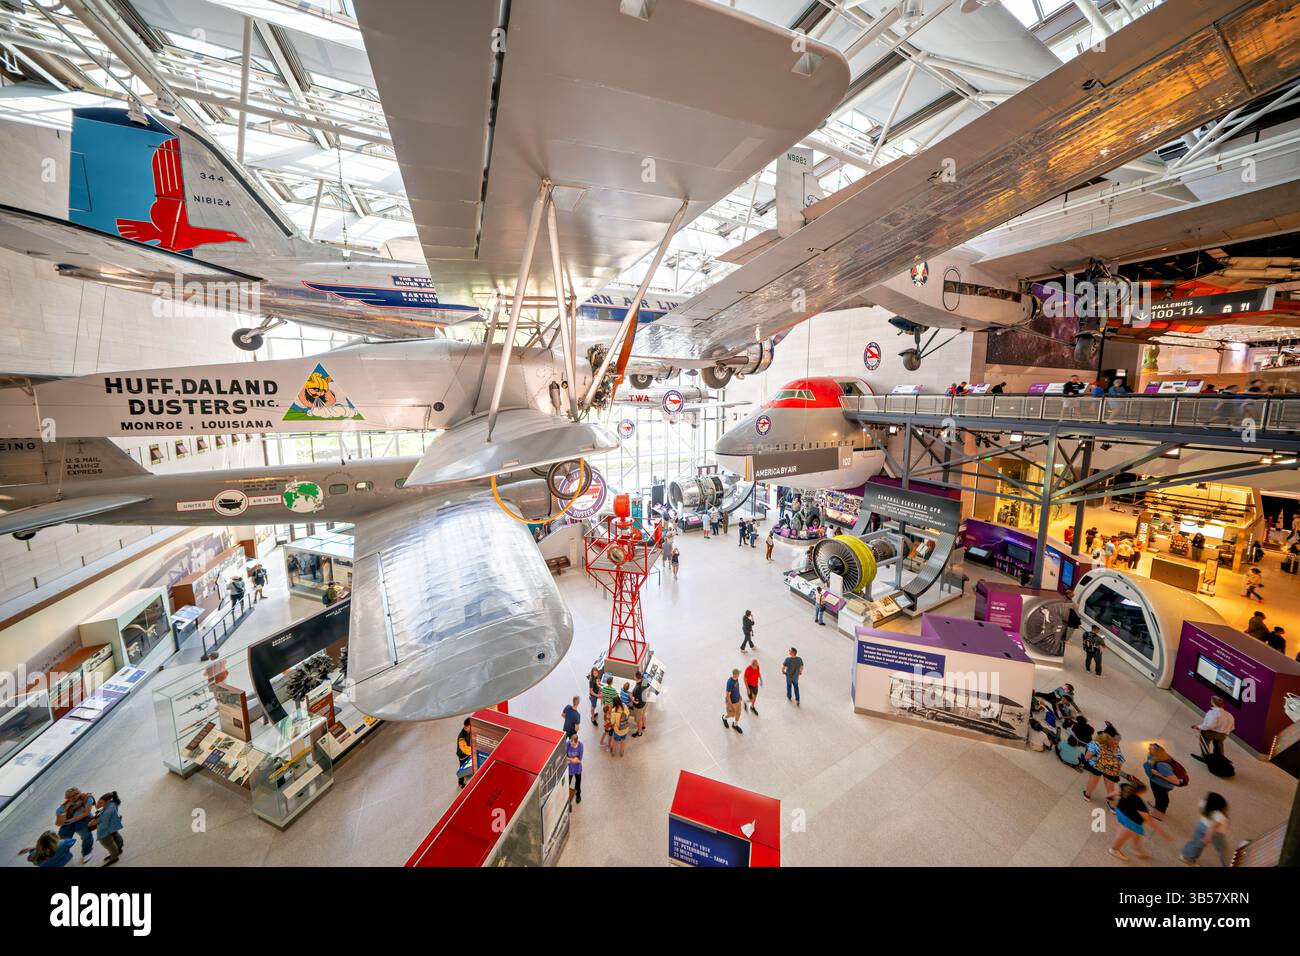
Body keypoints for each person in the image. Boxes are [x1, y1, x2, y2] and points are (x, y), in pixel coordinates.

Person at [1110, 780, 1170, 862]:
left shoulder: (1124, 786)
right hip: (1131, 822)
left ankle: (1137, 850)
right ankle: (1114, 850)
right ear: (1141, 792)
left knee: (1136, 834)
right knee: (1122, 836)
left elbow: (1114, 794)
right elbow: (1149, 820)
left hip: (1121, 812)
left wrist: (1111, 800)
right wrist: (1163, 834)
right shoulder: (1138, 802)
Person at [1180, 792, 1230, 866]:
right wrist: (1207, 837)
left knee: (1196, 843)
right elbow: (1213, 828)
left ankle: (1186, 857)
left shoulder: (1203, 803)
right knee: (1223, 850)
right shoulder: (1219, 816)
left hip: (1200, 824)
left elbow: (1201, 810)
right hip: (1216, 834)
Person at [1082, 731, 1124, 806]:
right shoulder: (1115, 746)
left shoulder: (1094, 743)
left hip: (1097, 766)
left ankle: (1087, 795)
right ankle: (1112, 806)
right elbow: (1120, 761)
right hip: (1111, 770)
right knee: (1110, 788)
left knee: (1093, 781)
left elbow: (1087, 757)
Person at [55, 788, 96, 864]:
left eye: (77, 794)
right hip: (68, 824)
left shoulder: (87, 798)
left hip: (83, 819)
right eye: (71, 796)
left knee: (86, 835)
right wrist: (65, 810)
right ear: (67, 798)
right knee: (61, 841)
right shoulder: (61, 808)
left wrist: (72, 819)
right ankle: (62, 856)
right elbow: (58, 823)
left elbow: (87, 813)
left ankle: (87, 852)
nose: (75, 797)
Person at [1143, 743, 1182, 820]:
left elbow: (1177, 782)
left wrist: (1158, 774)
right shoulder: (1159, 756)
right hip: (1157, 782)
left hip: (1161, 785)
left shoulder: (1162, 765)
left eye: (1151, 749)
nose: (1149, 749)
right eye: (1149, 748)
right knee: (1161, 797)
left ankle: (1159, 815)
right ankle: (1159, 805)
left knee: (1161, 799)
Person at [94, 792, 124, 866]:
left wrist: (95, 822)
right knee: (115, 835)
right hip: (113, 826)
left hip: (106, 829)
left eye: (100, 802)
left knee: (107, 842)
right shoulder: (113, 803)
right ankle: (119, 848)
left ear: (107, 801)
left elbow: (103, 822)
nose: (97, 804)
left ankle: (114, 857)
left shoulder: (108, 810)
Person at [723, 669, 744, 733]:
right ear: (735, 674)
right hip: (732, 702)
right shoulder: (730, 682)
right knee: (731, 714)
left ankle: (735, 725)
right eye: (738, 674)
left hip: (737, 700)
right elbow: (728, 696)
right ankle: (724, 718)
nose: (739, 675)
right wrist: (731, 705)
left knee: (738, 713)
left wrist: (739, 695)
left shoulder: (736, 679)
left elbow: (737, 688)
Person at [566, 733, 584, 804]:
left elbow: (580, 759)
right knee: (568, 782)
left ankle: (578, 795)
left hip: (577, 767)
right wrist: (572, 759)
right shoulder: (568, 744)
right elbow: (564, 756)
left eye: (573, 744)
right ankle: (566, 796)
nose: (572, 745)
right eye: (571, 742)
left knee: (578, 782)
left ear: (577, 742)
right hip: (569, 767)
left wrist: (575, 760)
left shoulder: (580, 746)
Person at [631, 670, 649, 737]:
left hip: (639, 707)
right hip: (644, 702)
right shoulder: (644, 681)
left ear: (636, 677)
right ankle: (644, 726)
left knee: (639, 720)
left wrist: (632, 698)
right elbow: (648, 681)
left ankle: (639, 732)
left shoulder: (637, 689)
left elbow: (636, 701)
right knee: (643, 715)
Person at [456, 718, 473, 788]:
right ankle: (460, 782)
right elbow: (464, 749)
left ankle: (467, 773)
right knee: (462, 769)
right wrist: (473, 750)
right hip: (462, 756)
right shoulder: (461, 737)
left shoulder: (468, 731)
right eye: (471, 726)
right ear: (467, 726)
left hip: (468, 753)